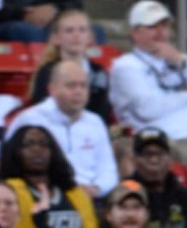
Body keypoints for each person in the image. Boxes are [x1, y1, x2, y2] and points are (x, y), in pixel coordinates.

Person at [110, 0, 187, 161]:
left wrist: (181, 61)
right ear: (135, 33)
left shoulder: (181, 60)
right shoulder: (125, 65)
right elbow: (147, 109)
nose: (160, 32)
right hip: (158, 144)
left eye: (164, 26)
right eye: (152, 27)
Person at [7, 60, 119, 199]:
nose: (78, 92)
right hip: (42, 196)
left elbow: (108, 169)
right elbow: (10, 165)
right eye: (71, 86)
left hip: (91, 198)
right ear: (52, 89)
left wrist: (96, 189)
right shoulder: (29, 119)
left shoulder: (95, 122)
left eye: (83, 86)